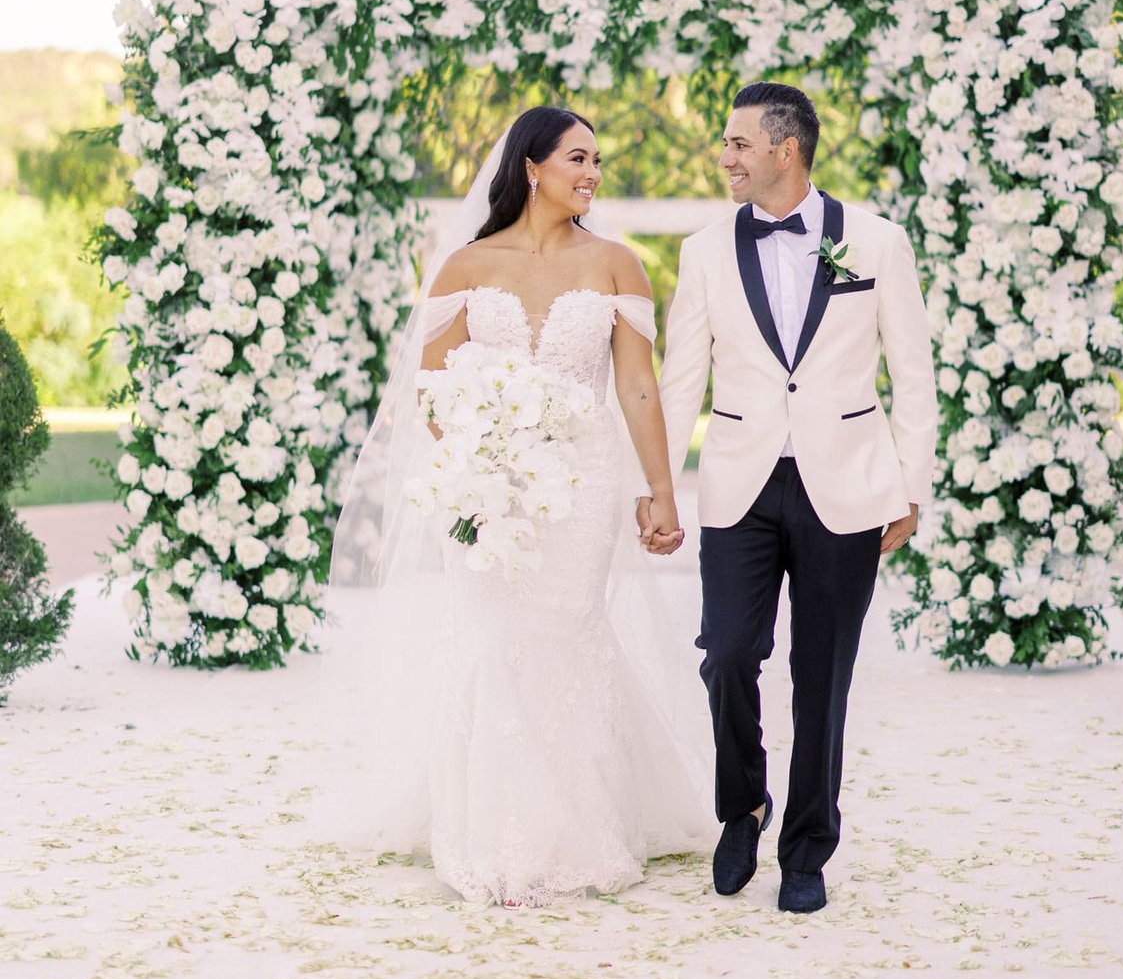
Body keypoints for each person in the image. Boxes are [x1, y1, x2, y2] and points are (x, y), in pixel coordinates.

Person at [330, 106, 711, 908]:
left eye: (597, 160)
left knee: (567, 634)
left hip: (583, 483)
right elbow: (433, 388)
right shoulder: (466, 266)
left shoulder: (618, 265)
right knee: (495, 639)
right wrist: (480, 459)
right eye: (578, 157)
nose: (592, 172)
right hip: (487, 483)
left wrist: (661, 490)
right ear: (531, 166)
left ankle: (572, 831)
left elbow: (637, 386)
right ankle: (493, 831)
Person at [638, 82, 937, 914]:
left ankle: (807, 848)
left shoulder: (878, 241)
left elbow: (913, 374)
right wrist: (657, 487)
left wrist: (909, 487)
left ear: (786, 148)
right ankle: (743, 807)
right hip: (739, 481)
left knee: (822, 675)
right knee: (728, 652)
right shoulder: (703, 251)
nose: (725, 157)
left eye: (738, 143)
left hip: (847, 485)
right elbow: (678, 380)